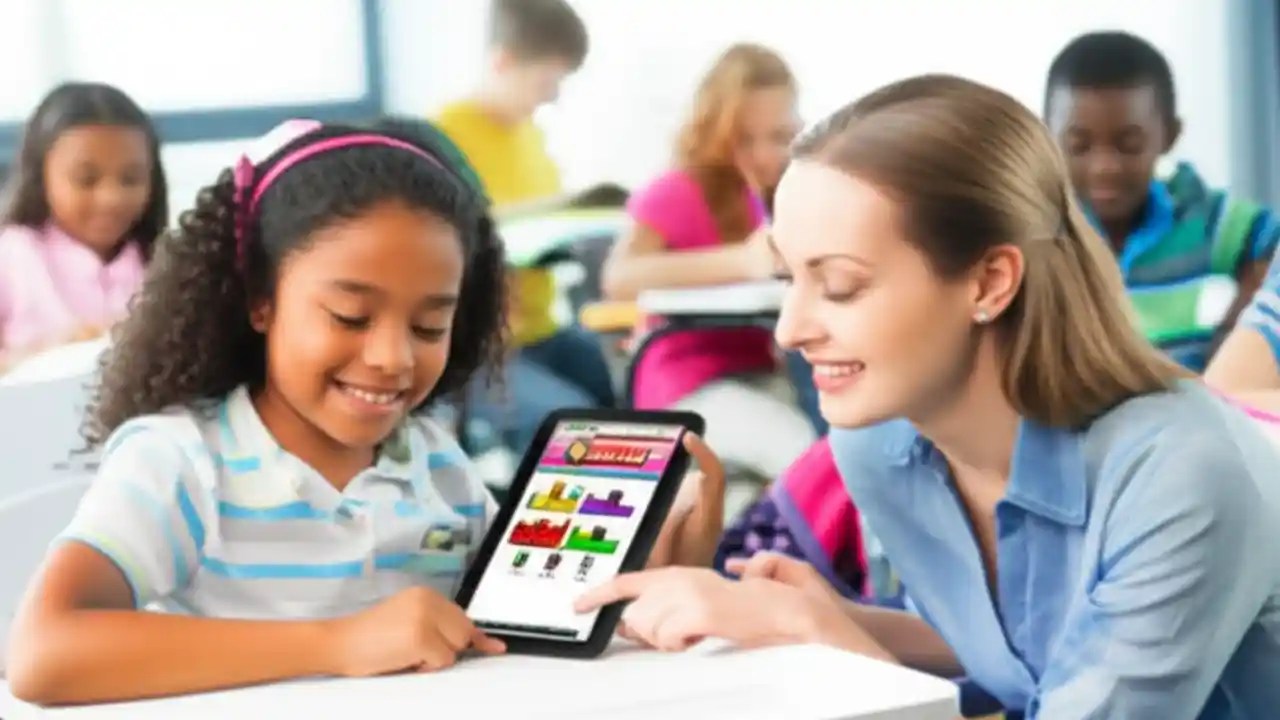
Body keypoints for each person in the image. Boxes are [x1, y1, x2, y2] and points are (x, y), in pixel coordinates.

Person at [576, 74, 1280, 718]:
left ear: (989, 283)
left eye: (841, 286)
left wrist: (831, 641)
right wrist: (811, 620)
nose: (788, 331)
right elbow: (1018, 651)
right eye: (789, 278)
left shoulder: (1182, 475)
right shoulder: (881, 445)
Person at [4, 118, 723, 705]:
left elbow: (514, 634)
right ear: (260, 300)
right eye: (350, 316)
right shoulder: (182, 462)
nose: (392, 357)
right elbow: (43, 651)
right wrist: (337, 643)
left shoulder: (438, 467)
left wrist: (651, 570)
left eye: (429, 326)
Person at [602, 43, 817, 480]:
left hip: (759, 375)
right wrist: (743, 261)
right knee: (800, 450)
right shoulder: (677, 190)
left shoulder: (776, 194)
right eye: (745, 139)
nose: (764, 154)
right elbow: (618, 278)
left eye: (780, 137)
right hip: (685, 385)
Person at [435, 0, 615, 455]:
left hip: (542, 330)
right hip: (478, 347)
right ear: (503, 62)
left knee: (625, 396)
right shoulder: (442, 138)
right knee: (572, 427)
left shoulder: (531, 136)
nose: (553, 97)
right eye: (546, 81)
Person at [1044, 31, 1280, 372]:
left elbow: (1272, 247)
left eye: (1129, 145)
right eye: (1079, 146)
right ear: (1045, 137)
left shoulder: (1199, 216)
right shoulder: (1036, 229)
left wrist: (1242, 326)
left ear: (1169, 135)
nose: (1104, 167)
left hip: (1192, 398)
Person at [0, 82, 167, 370]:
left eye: (131, 179)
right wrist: (48, 356)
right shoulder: (12, 256)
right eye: (86, 180)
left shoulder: (166, 264)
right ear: (40, 176)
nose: (111, 198)